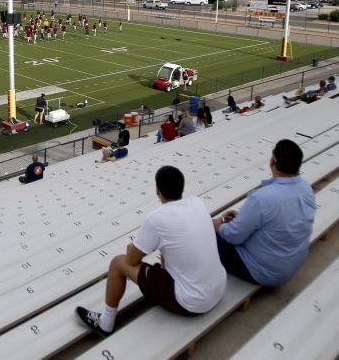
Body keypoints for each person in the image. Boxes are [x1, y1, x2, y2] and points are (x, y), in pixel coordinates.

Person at [76, 166, 227, 336]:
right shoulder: (196, 202)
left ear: (157, 190)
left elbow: (131, 260)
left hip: (194, 302)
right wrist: (221, 219)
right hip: (219, 287)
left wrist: (131, 248)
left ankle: (105, 323)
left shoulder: (157, 218)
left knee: (118, 262)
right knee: (168, 250)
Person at [214, 139, 315, 287]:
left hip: (265, 272)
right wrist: (243, 219)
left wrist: (218, 225)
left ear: (272, 161)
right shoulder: (306, 188)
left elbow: (233, 236)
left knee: (207, 235)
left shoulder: (262, 198)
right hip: (291, 263)